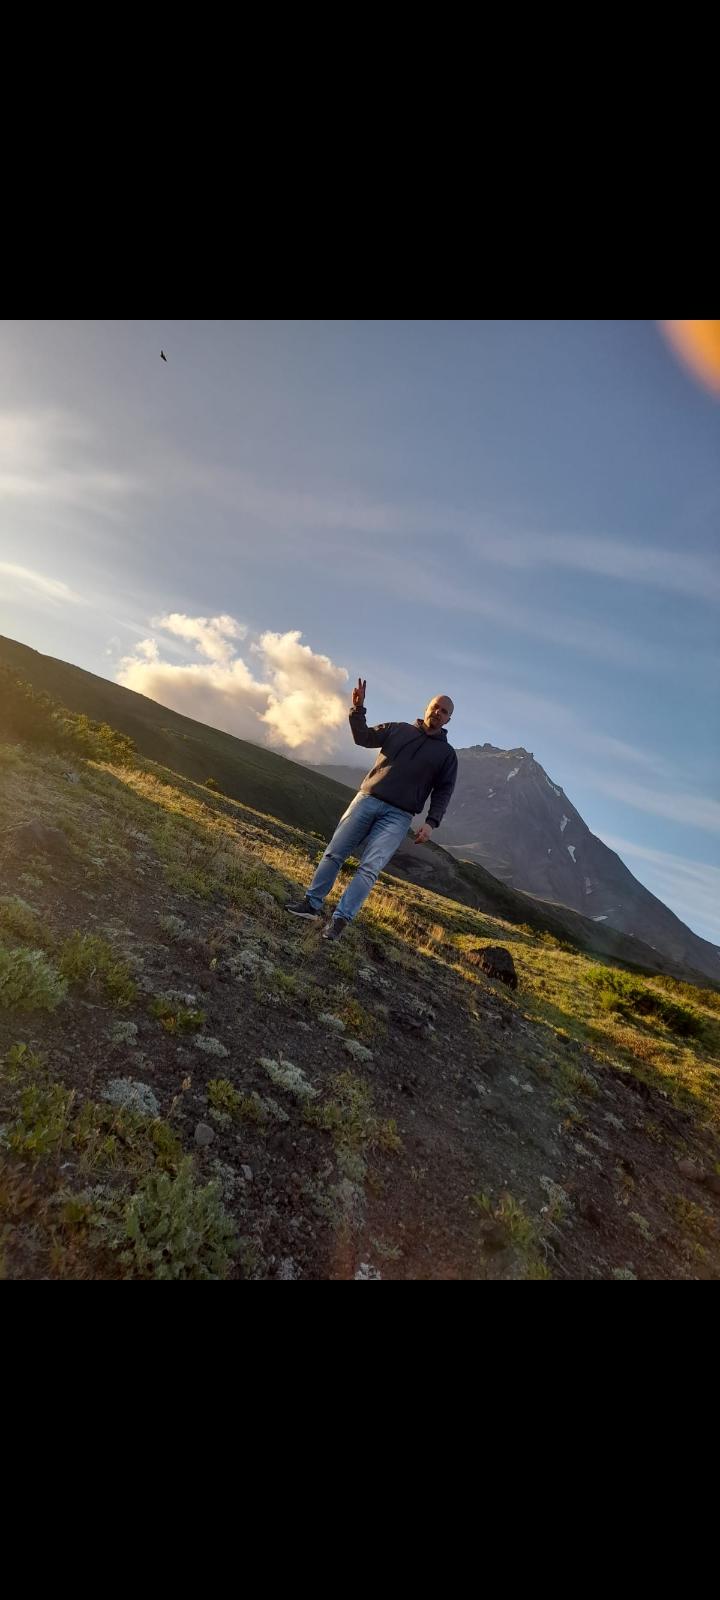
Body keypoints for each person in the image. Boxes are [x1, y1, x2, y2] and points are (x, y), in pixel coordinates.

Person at [286, 678, 458, 940]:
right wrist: (358, 709)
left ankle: (339, 921)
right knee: (334, 853)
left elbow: (444, 791)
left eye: (444, 711)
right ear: (427, 708)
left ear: (448, 720)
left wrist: (431, 822)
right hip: (366, 799)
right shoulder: (397, 729)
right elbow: (363, 738)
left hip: (399, 816)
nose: (438, 712)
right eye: (435, 706)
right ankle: (311, 905)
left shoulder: (447, 755)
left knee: (369, 869)